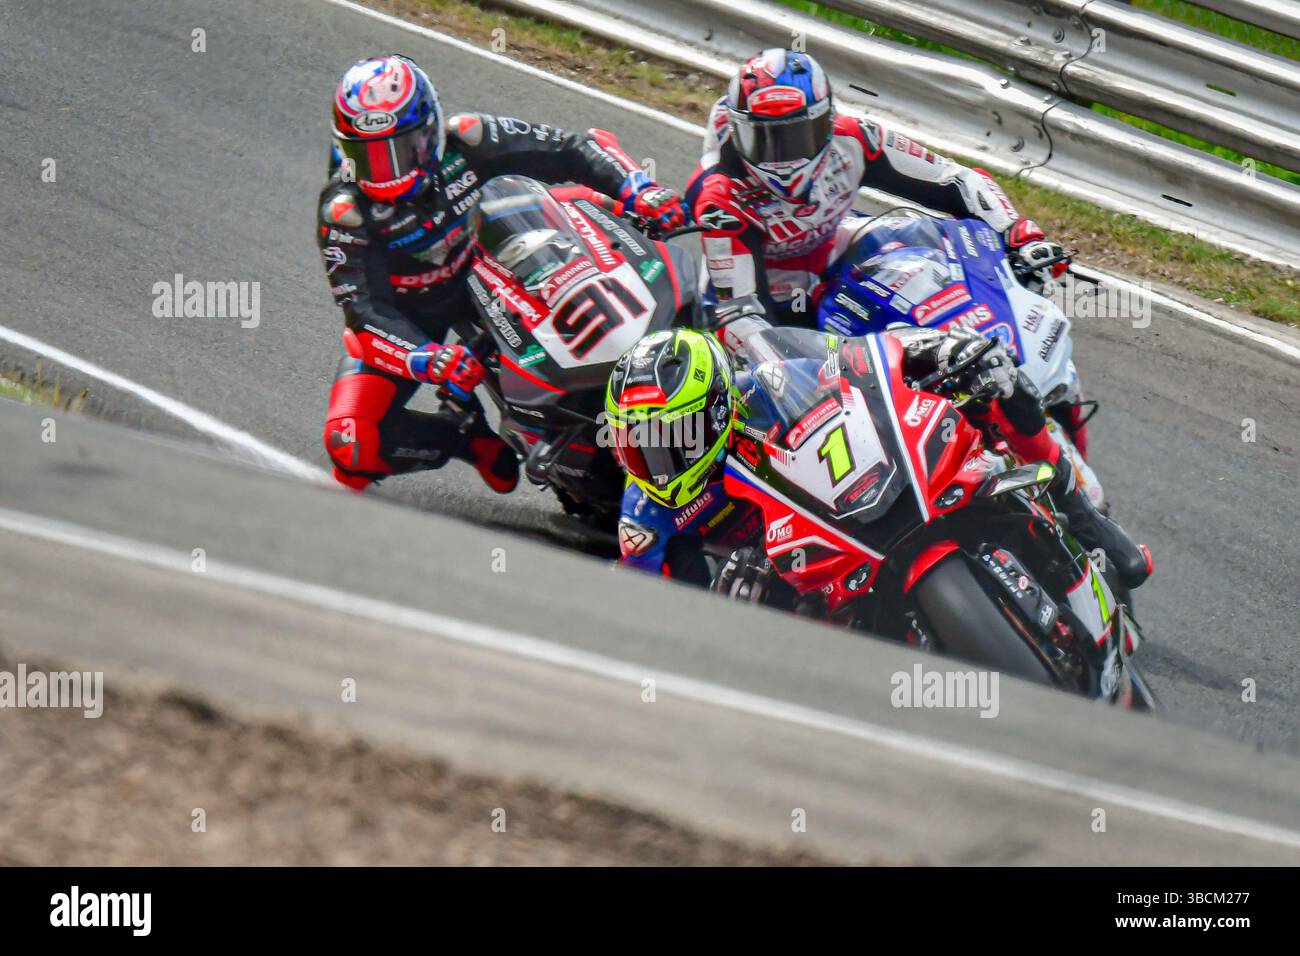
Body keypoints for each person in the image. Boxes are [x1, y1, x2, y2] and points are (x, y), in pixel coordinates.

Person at [317, 54, 685, 491]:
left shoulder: (468, 138)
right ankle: (467, 438)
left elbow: (572, 149)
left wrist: (640, 189)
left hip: (495, 270)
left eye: (398, 152)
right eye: (369, 156)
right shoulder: (345, 212)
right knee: (351, 444)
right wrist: (425, 358)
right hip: (412, 319)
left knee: (588, 212)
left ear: (429, 131)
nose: (385, 173)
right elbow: (364, 312)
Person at [606, 318, 1151, 593]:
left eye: (671, 435)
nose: (658, 459)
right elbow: (656, 620)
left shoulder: (764, 386)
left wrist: (940, 348)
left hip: (854, 505)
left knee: (998, 378)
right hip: (788, 592)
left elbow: (855, 361)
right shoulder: (644, 518)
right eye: (639, 444)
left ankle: (1080, 513)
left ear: (718, 406)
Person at [684, 48, 1068, 326]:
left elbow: (957, 180)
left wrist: (1020, 235)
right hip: (754, 297)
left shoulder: (857, 139)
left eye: (796, 137)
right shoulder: (722, 197)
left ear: (826, 121)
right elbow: (743, 316)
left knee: (920, 238)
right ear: (737, 134)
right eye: (765, 141)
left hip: (831, 253)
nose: (782, 159)